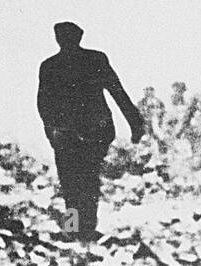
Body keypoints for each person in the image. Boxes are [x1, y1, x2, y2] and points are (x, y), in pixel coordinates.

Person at [37, 22, 144, 241]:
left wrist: (52, 131)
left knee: (70, 183)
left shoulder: (50, 65)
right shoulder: (95, 59)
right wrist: (135, 123)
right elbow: (118, 92)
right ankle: (84, 230)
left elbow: (43, 104)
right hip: (91, 133)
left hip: (70, 135)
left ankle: (74, 230)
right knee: (88, 181)